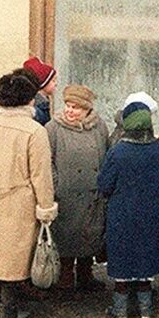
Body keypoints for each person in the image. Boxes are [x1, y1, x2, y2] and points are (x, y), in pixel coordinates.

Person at [0, 71, 58, 318]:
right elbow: (41, 175)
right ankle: (8, 309)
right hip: (19, 202)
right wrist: (46, 207)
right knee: (12, 259)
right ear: (28, 99)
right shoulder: (33, 130)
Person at [97, 101, 159, 318]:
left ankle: (120, 310)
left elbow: (104, 185)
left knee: (122, 260)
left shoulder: (118, 152)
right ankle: (146, 309)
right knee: (146, 256)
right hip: (151, 211)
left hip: (122, 213)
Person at [46, 84, 110, 294]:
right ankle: (65, 274)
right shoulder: (53, 128)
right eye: (67, 105)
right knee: (66, 233)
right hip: (66, 194)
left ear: (87, 110)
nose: (70, 111)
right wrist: (56, 184)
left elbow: (106, 155)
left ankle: (85, 272)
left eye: (76, 107)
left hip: (92, 192)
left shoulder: (99, 127)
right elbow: (47, 161)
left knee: (89, 232)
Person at [22, 56, 58, 126]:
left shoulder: (44, 101)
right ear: (43, 83)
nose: (56, 84)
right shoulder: (38, 109)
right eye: (53, 81)